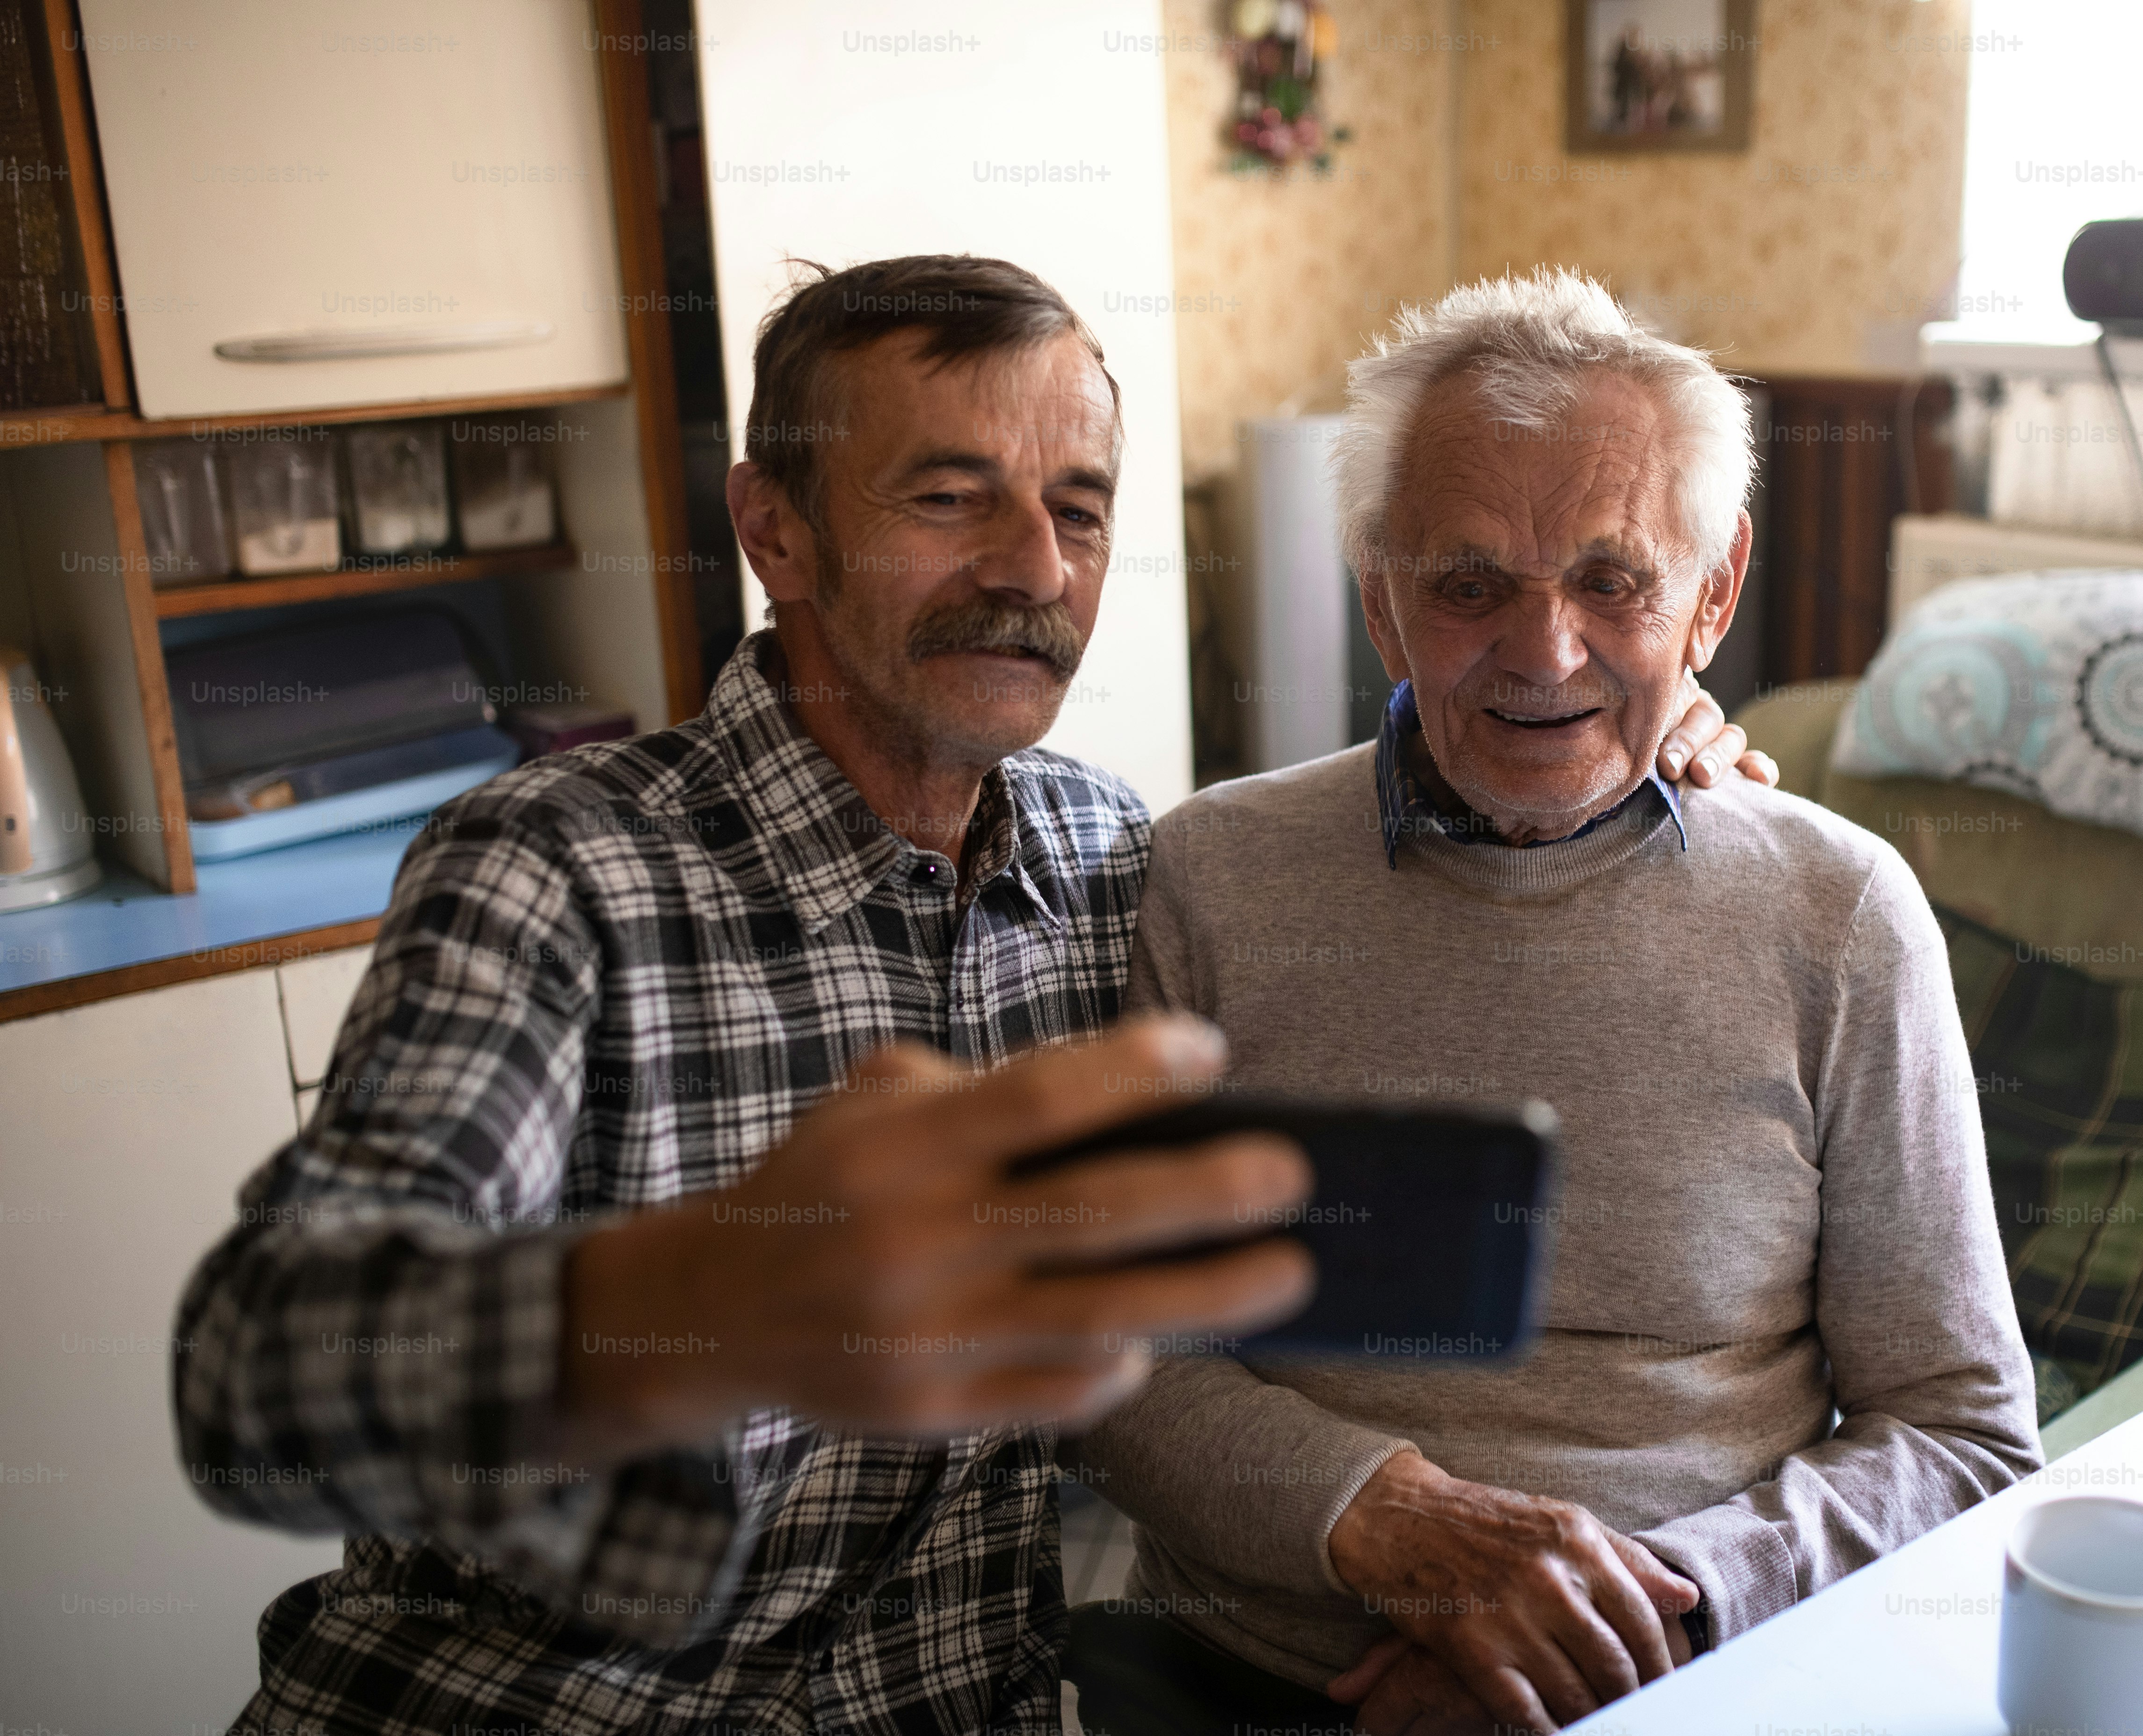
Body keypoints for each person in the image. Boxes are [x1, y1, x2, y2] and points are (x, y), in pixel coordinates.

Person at [171, 253, 1775, 1735]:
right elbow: (260, 1379)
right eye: (951, 496)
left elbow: (1166, 1335)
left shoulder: (1106, 862)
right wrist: (690, 1301)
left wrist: (1651, 764)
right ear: (775, 528)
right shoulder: (556, 868)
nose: (1031, 567)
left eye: (1078, 510)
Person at [1071, 270, 2041, 1736]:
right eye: (1469, 586)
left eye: (1614, 579)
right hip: (1266, 1681)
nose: (1545, 653)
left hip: (1699, 1671)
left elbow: (1966, 1430)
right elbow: (1110, 1358)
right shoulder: (1211, 876)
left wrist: (1633, 1612)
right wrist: (1401, 1531)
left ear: (1712, 598)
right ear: (1383, 603)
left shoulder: (1840, 912)